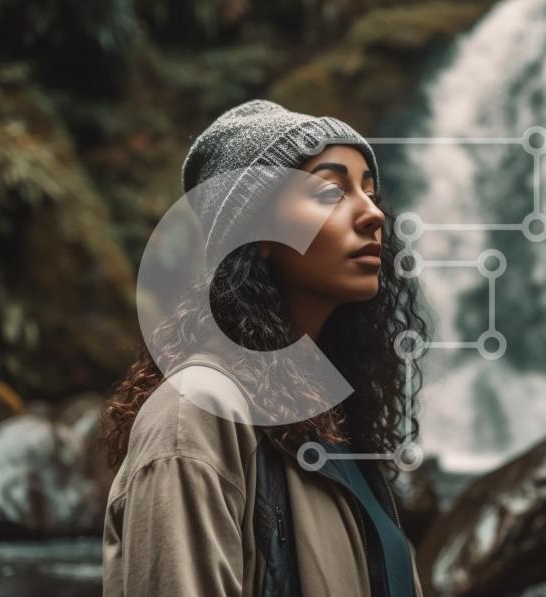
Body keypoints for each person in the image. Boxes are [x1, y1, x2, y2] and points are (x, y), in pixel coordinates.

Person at [100, 98, 431, 596]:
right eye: (329, 191)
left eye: (370, 191)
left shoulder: (336, 421)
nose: (372, 214)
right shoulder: (197, 416)